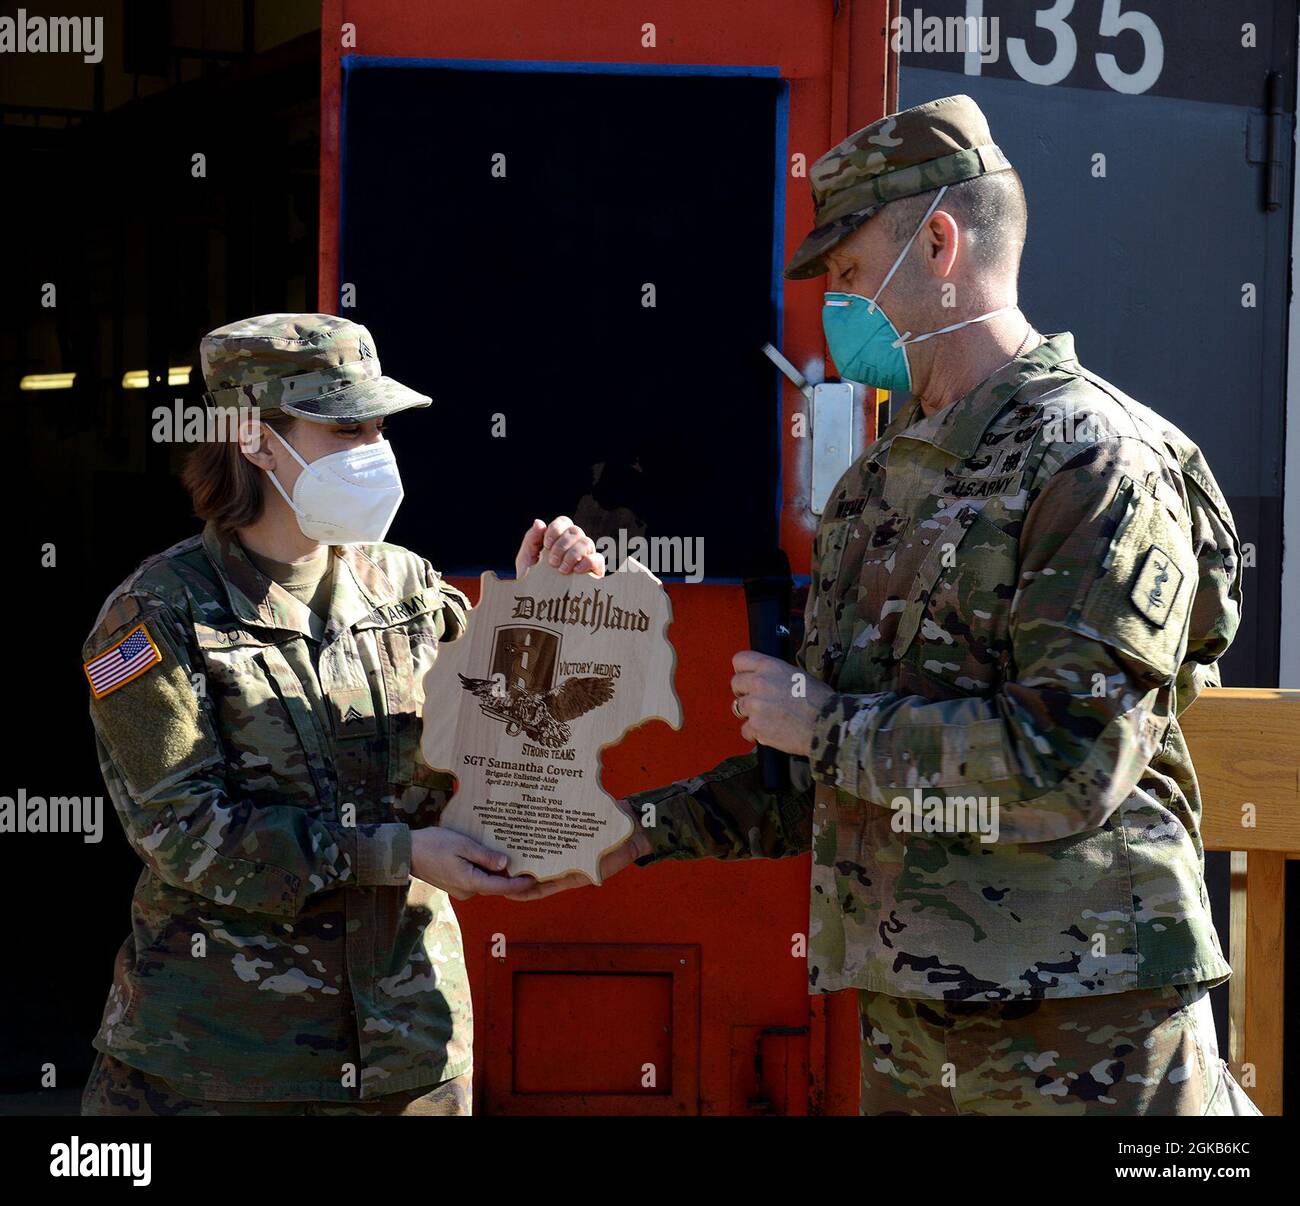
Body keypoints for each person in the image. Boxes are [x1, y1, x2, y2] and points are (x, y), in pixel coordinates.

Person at [595, 95, 1259, 1116]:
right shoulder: (876, 485)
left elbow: (1072, 763)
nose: (838, 308)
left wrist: (827, 725)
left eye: (852, 274)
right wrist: (629, 831)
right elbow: (828, 772)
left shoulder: (1093, 461)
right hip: (916, 1021)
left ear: (939, 242)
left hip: (1090, 1033)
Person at [79, 313, 599, 1116]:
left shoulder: (409, 588)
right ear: (255, 438)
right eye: (345, 428)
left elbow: (504, 763)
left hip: (409, 1054)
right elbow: (188, 834)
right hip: (222, 1068)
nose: (374, 453)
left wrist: (540, 619)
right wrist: (397, 854)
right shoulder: (154, 615)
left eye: (378, 428)